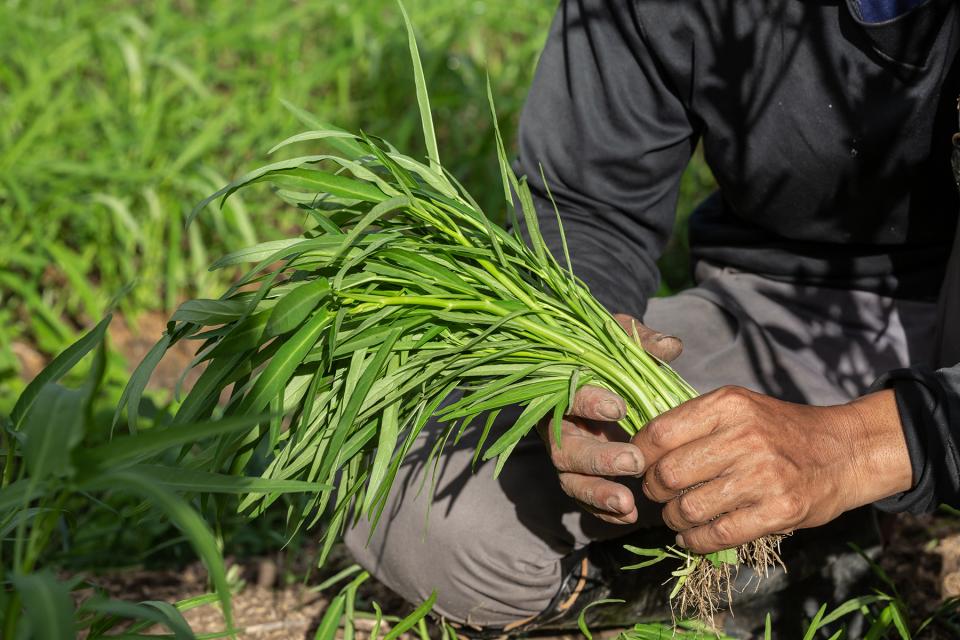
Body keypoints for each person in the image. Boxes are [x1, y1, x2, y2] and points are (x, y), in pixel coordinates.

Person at [345, 0, 960, 634]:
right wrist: (581, 354)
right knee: (404, 485)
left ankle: (853, 507)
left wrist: (864, 448)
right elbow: (588, 205)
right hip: (791, 306)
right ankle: (790, 562)